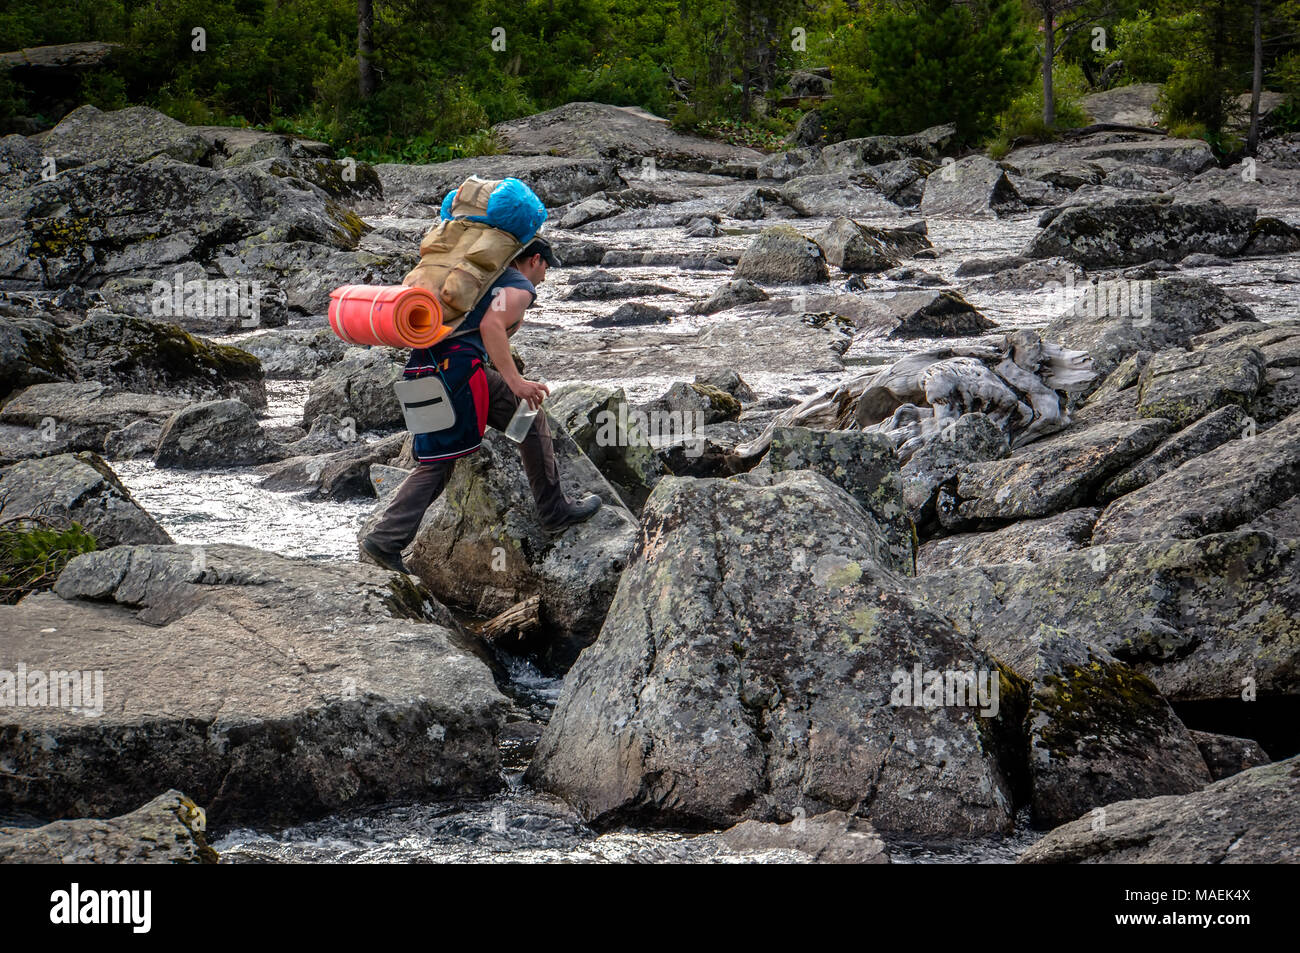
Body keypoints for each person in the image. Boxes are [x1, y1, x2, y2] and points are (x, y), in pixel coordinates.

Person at [360, 235, 601, 574]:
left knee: (439, 459)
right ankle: (554, 511)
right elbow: (491, 326)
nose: (545, 276)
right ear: (534, 260)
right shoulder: (518, 286)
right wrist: (516, 381)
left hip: (422, 370)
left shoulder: (478, 278)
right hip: (459, 374)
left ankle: (385, 540)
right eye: (546, 267)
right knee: (526, 418)